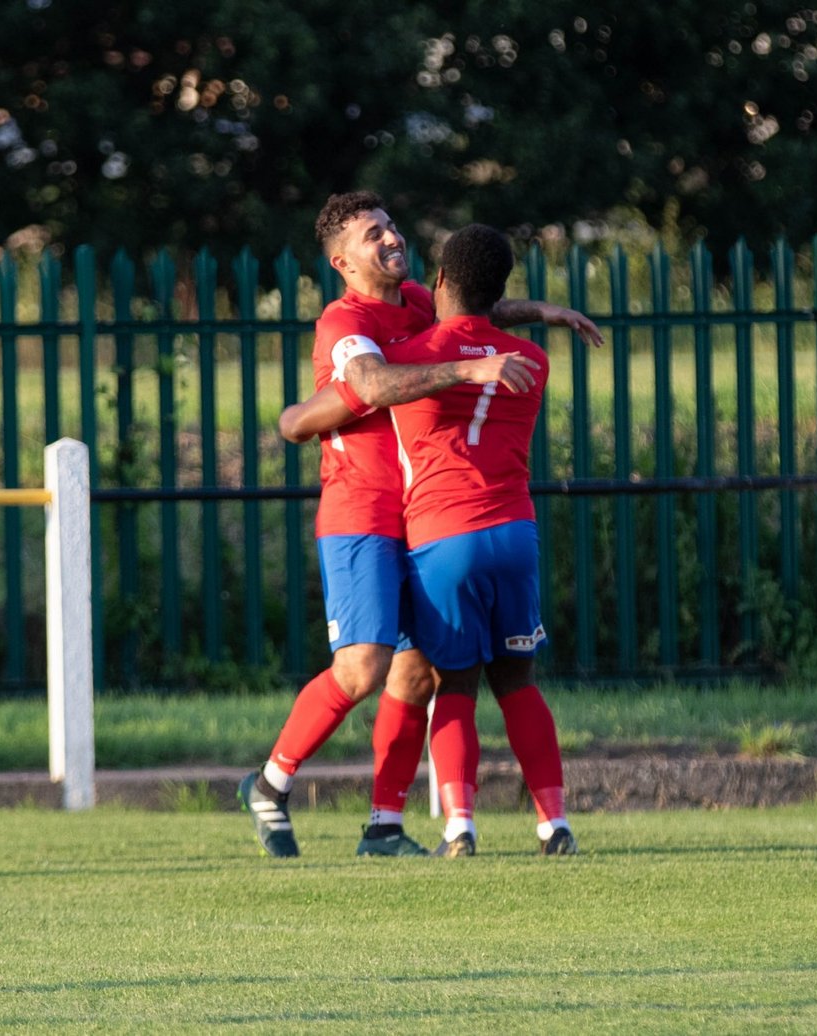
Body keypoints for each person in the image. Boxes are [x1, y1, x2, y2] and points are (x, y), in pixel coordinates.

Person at [237, 191, 598, 858]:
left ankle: (383, 825)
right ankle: (269, 782)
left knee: (417, 676)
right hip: (362, 516)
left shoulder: (412, 304)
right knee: (363, 667)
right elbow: (372, 384)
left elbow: (463, 304)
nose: (390, 238)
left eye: (392, 226)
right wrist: (471, 366)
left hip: (422, 517)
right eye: (373, 234)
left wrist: (536, 312)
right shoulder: (343, 321)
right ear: (342, 261)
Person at [346, 223, 574, 857]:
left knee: (456, 686)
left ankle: (460, 827)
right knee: (520, 683)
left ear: (439, 281)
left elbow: (376, 388)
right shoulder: (532, 360)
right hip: (515, 533)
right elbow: (481, 343)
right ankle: (554, 824)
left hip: (444, 537)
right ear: (500, 291)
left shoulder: (410, 358)